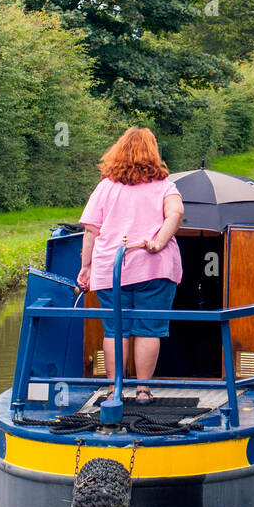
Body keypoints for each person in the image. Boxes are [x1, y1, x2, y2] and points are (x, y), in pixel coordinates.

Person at [76, 127, 184, 402]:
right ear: (153, 153)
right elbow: (176, 213)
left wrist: (85, 268)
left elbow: (91, 231)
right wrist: (157, 242)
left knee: (115, 329)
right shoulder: (165, 186)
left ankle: (115, 389)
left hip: (112, 269)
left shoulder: (105, 187)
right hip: (154, 267)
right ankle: (143, 390)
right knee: (148, 329)